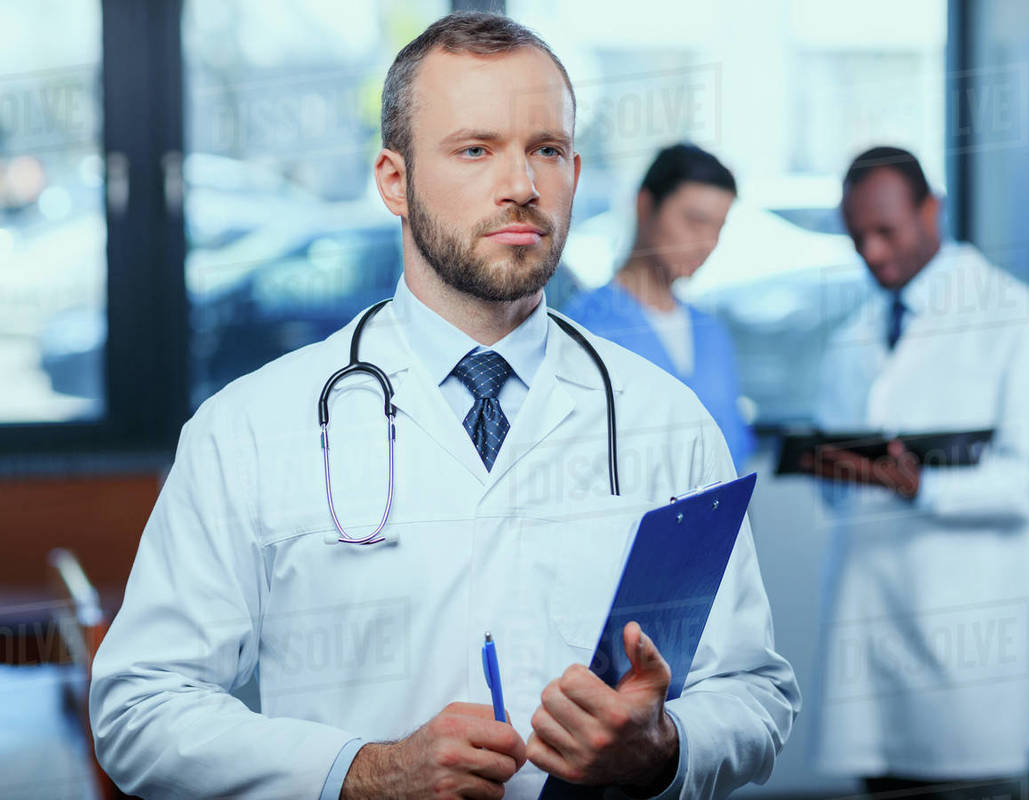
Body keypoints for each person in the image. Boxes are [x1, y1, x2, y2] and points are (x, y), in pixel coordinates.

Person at [89, 12, 799, 800]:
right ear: (394, 180)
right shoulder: (250, 428)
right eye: (475, 149)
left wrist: (666, 749)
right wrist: (364, 773)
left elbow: (756, 692)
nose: (522, 185)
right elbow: (140, 707)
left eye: (547, 151)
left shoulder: (666, 419)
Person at [801, 146, 1029, 798]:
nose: (871, 252)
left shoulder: (1021, 319)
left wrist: (922, 486)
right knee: (885, 783)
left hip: (969, 639)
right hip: (872, 633)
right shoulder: (856, 333)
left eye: (886, 231)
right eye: (857, 237)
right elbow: (836, 468)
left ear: (933, 211)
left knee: (968, 782)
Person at [564, 144, 755, 471]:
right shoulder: (583, 327)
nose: (707, 242)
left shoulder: (712, 334)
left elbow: (733, 451)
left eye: (718, 227)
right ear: (645, 205)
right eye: (695, 221)